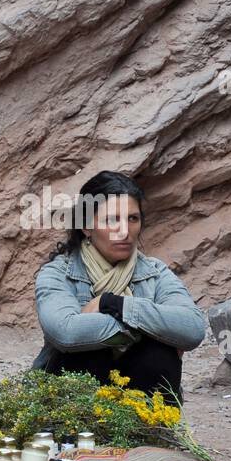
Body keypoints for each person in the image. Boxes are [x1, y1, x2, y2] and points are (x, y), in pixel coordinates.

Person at [32, 171, 206, 401]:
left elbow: (192, 329)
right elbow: (67, 332)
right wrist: (150, 326)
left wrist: (113, 304)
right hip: (72, 405)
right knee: (89, 350)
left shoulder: (154, 272)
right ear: (86, 227)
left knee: (158, 354)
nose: (124, 231)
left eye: (132, 219)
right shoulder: (58, 273)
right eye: (112, 219)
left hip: (144, 404)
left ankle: (149, 433)